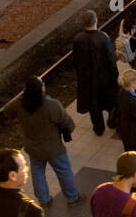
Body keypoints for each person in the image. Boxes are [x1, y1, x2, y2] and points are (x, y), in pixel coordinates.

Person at [15, 75, 84, 209]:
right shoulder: (51, 105)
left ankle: (44, 201)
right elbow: (67, 122)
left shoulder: (20, 104)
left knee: (37, 172)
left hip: (32, 146)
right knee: (63, 171)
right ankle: (72, 197)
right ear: (41, 89)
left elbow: (7, 112)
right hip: (53, 148)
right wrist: (68, 130)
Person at [72, 9, 118, 135]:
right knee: (109, 102)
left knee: (93, 105)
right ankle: (112, 121)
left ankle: (98, 128)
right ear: (96, 20)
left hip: (87, 80)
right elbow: (111, 61)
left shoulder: (78, 39)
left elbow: (75, 61)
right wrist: (115, 77)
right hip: (105, 79)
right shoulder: (103, 38)